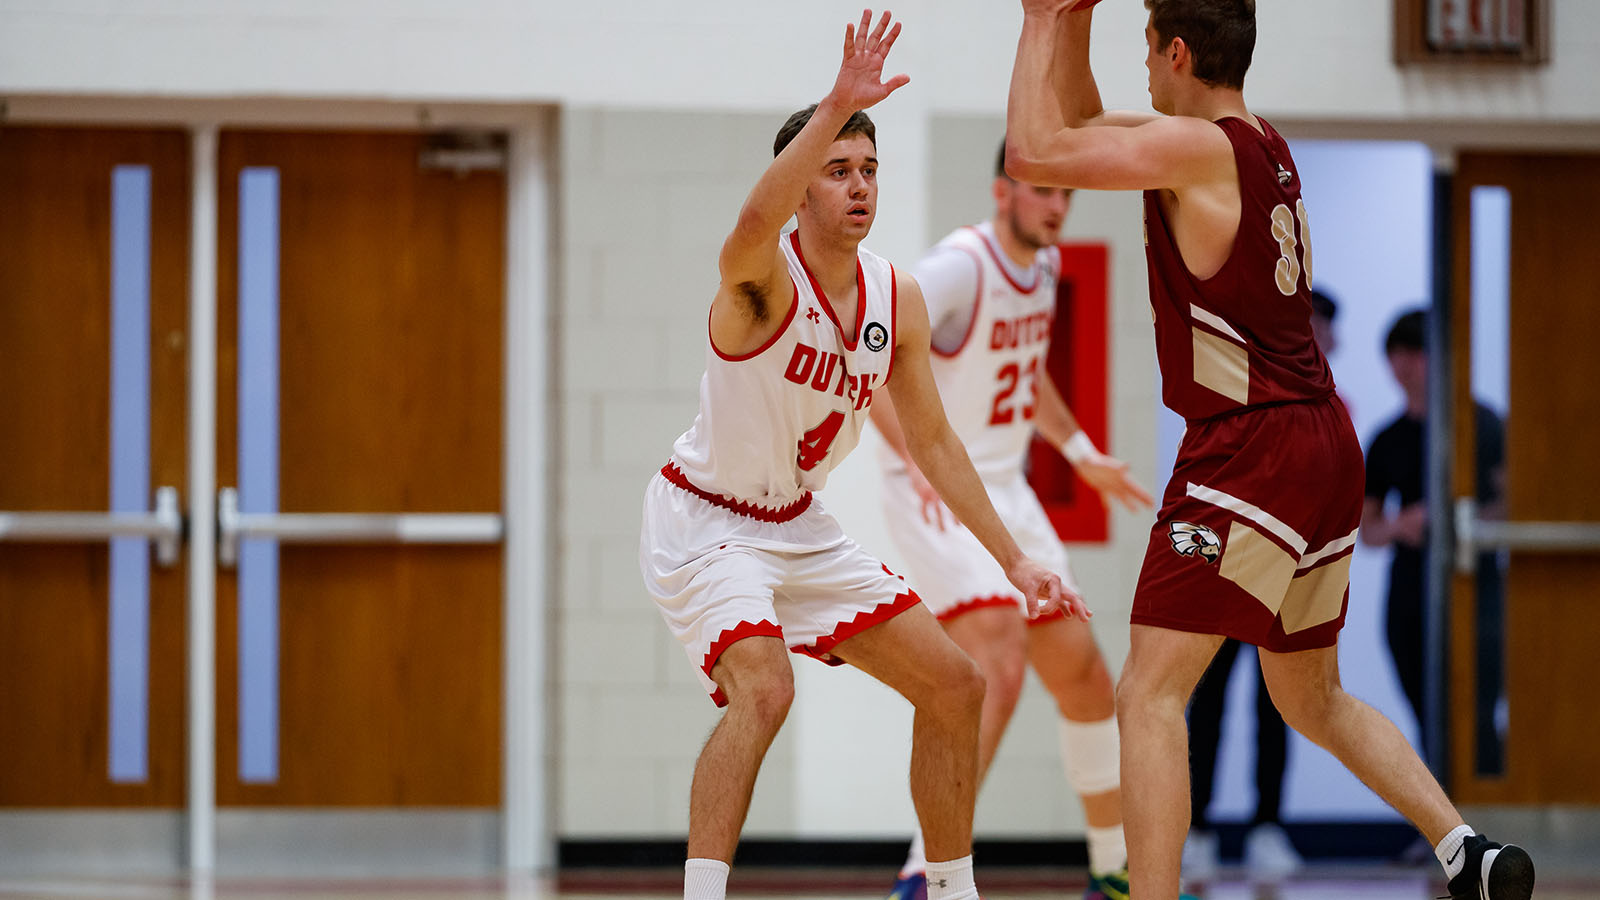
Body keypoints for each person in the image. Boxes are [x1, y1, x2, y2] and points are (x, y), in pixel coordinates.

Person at [1002, 2, 1534, 899]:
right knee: (1308, 696)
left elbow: (1034, 154)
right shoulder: (1255, 141)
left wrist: (1034, 20)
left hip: (1251, 448)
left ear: (1177, 50)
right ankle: (1464, 852)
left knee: (1148, 694)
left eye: (1144, 47)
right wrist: (1075, 23)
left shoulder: (1198, 149)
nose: (1142, 67)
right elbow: (1083, 124)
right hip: (1321, 440)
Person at [639, 12, 1088, 900]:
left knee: (957, 687)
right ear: (803, 188)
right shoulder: (759, 281)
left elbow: (933, 443)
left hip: (797, 521)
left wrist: (1015, 560)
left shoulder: (899, 298)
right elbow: (749, 218)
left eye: (868, 171)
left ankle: (948, 889)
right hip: (706, 518)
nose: (857, 187)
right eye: (836, 171)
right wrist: (836, 104)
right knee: (765, 691)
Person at [872, 142, 1159, 900]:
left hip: (1009, 488)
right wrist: (918, 460)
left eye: (1067, 193)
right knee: (993, 664)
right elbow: (873, 361)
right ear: (1003, 191)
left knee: (1086, 679)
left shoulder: (1045, 268)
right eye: (1041, 191)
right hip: (935, 485)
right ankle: (923, 875)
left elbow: (1025, 377)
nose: (1058, 206)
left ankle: (1112, 872)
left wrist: (1081, 450)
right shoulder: (959, 266)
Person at [1181, 287, 1341, 884]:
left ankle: (1268, 825)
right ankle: (1196, 830)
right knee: (1208, 695)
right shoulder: (1248, 387)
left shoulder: (1331, 408)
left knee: (1288, 700)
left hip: (1297, 570)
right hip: (1236, 559)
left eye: (1323, 327)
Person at [1362, 308, 1507, 773]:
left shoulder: (1481, 424)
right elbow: (1368, 529)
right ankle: (1445, 830)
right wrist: (1401, 524)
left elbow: (1514, 504)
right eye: (1396, 354)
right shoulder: (1386, 440)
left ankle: (1484, 822)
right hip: (1409, 595)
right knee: (1428, 715)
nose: (1405, 366)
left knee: (1478, 709)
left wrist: (1456, 522)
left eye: (1416, 352)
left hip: (1475, 586)